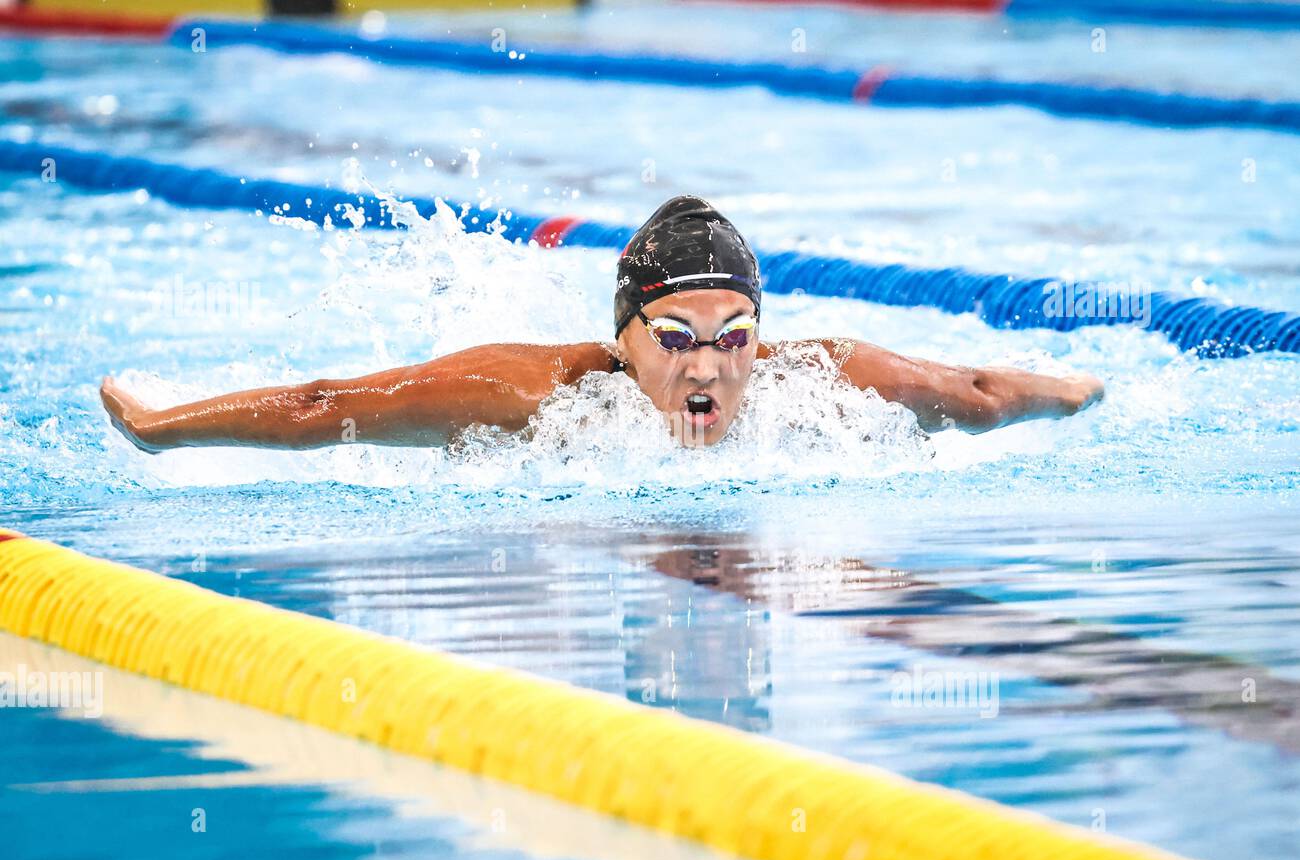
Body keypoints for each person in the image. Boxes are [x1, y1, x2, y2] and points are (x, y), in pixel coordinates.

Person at [100, 195, 1103, 454]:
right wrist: (164, 423)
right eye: (675, 337)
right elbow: (331, 404)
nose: (709, 363)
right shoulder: (536, 393)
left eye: (734, 333)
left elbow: (977, 396)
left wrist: (1078, 393)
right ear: (625, 335)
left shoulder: (825, 382)